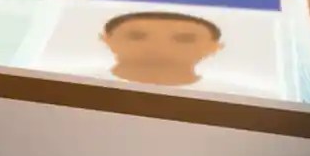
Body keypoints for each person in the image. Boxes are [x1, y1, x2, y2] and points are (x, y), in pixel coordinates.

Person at [92, 11, 270, 98]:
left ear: (215, 47)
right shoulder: (71, 85)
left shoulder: (240, 98)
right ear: (106, 40)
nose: (159, 47)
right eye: (137, 36)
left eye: (185, 39)